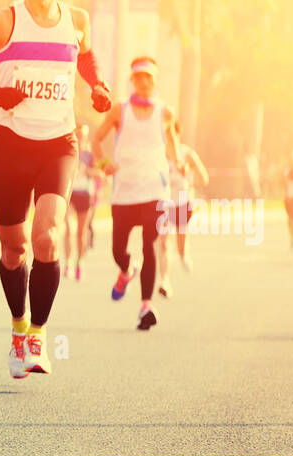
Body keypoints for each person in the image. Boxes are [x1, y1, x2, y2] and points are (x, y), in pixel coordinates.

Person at [0, 0, 111, 374]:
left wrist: (97, 84)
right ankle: (18, 327)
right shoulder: (2, 22)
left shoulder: (77, 19)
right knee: (14, 249)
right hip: (10, 146)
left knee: (47, 236)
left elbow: (85, 55)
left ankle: (37, 334)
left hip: (58, 144)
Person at [90, 55, 176, 331]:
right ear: (132, 80)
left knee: (150, 245)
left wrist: (180, 165)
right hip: (124, 191)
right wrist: (104, 163)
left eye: (148, 78)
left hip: (154, 190)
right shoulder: (119, 110)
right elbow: (95, 139)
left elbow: (173, 145)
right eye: (139, 78)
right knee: (118, 249)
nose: (143, 82)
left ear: (155, 80)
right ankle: (126, 270)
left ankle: (146, 306)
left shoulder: (166, 113)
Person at [158, 120, 207, 292]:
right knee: (164, 243)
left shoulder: (187, 154)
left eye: (172, 135)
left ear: (177, 135)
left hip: (183, 202)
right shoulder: (159, 155)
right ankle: (164, 280)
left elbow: (204, 177)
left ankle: (183, 254)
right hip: (164, 204)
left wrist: (191, 180)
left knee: (180, 242)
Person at [63, 123, 96, 281]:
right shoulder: (67, 150)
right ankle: (68, 263)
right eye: (77, 134)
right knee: (69, 229)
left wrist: (86, 170)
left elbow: (97, 172)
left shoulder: (89, 154)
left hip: (84, 194)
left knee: (81, 232)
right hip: (69, 193)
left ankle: (79, 263)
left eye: (82, 135)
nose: (80, 137)